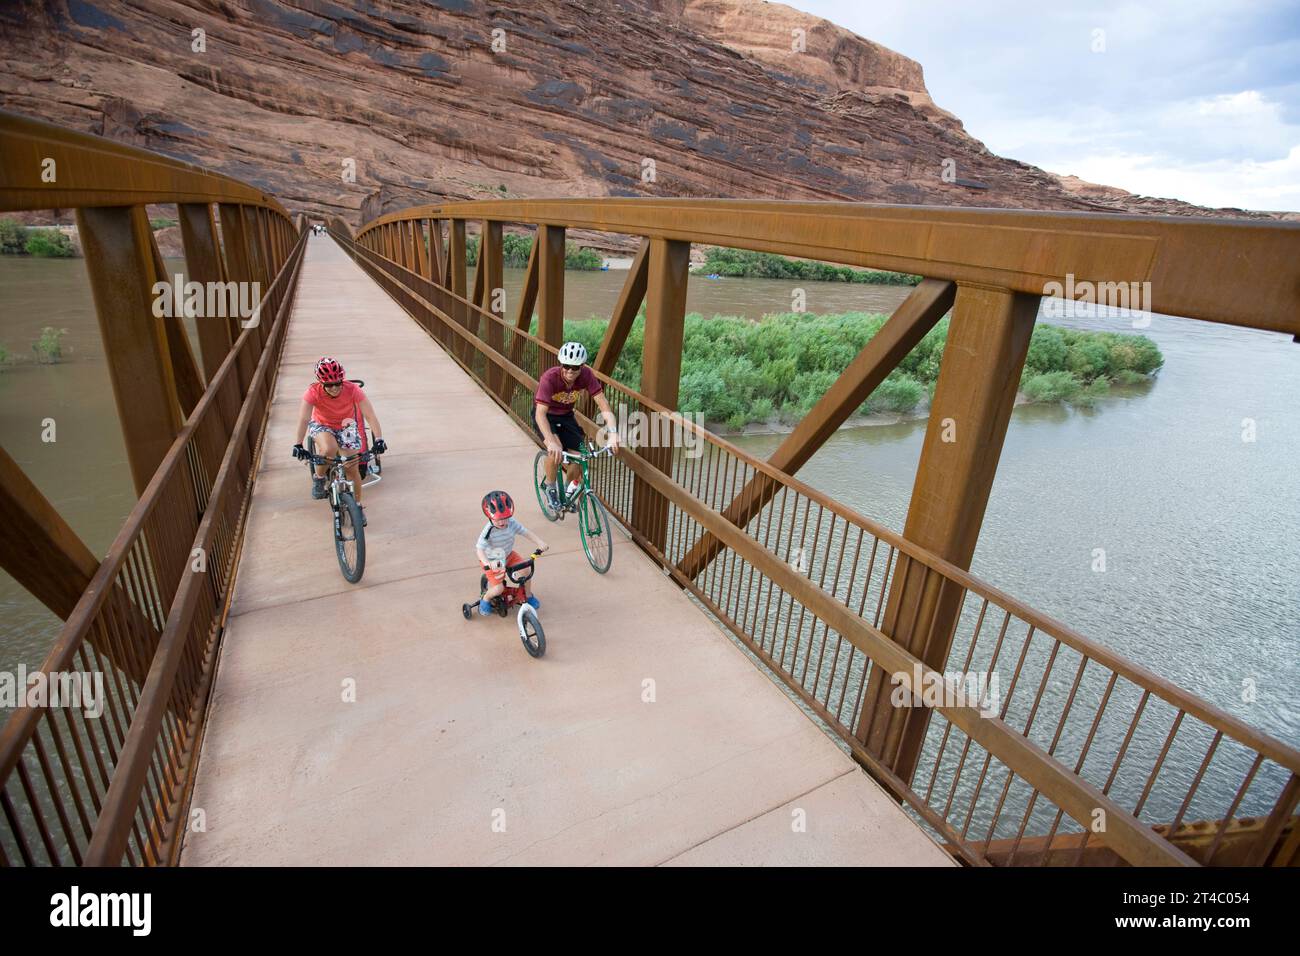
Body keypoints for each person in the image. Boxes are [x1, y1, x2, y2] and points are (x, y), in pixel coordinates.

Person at [291, 357, 387, 516]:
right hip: (322, 424)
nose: (334, 387)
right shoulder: (312, 393)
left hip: (346, 424)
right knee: (329, 448)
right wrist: (298, 444)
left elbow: (370, 415)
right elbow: (304, 419)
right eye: (329, 385)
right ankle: (319, 478)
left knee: (352, 467)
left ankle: (357, 506)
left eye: (338, 383)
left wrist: (379, 439)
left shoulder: (353, 389)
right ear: (320, 382)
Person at [533, 341, 620, 511]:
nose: (570, 371)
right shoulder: (549, 378)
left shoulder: (586, 375)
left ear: (582, 366)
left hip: (566, 417)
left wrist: (613, 433)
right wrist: (550, 442)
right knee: (556, 450)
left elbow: (602, 403)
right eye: (566, 366)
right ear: (561, 364)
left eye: (575, 367)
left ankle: (567, 490)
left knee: (581, 456)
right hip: (547, 416)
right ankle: (550, 487)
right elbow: (540, 413)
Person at [475, 491, 548, 616]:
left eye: (505, 518)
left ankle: (528, 595)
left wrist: (539, 542)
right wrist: (487, 563)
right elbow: (479, 549)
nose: (503, 522)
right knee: (498, 589)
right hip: (493, 560)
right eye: (498, 520)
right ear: (490, 516)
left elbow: (525, 532)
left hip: (508, 555)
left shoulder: (511, 523)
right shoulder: (488, 531)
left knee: (526, 571)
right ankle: (485, 599)